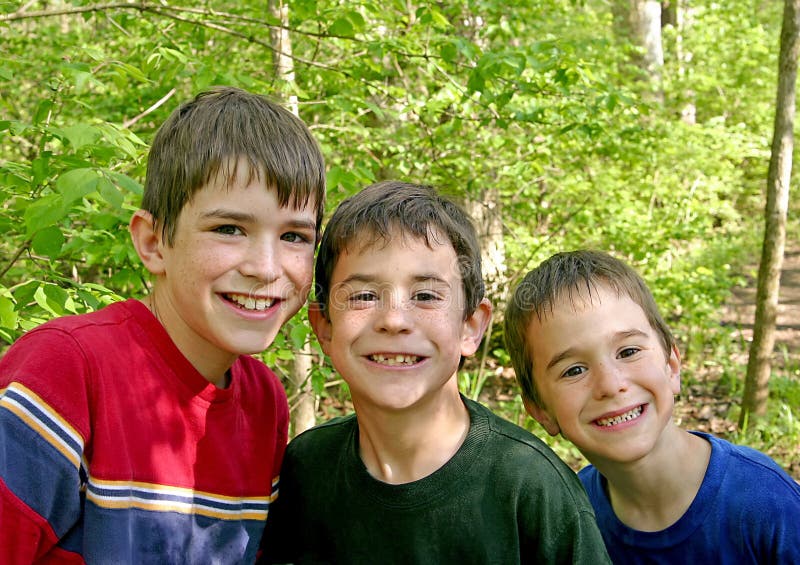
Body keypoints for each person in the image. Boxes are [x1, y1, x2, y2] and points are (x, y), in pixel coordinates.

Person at [0, 86, 326, 563]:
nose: (266, 267)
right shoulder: (66, 369)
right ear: (153, 243)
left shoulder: (263, 402)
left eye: (294, 236)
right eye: (229, 229)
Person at [260, 181, 610, 564]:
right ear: (323, 326)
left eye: (425, 296)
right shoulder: (306, 471)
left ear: (470, 327)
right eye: (363, 296)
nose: (394, 320)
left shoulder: (529, 487)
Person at [504, 249, 800, 564]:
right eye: (574, 370)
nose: (610, 384)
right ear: (541, 411)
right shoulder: (571, 518)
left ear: (671, 367)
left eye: (628, 351)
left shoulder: (765, 503)